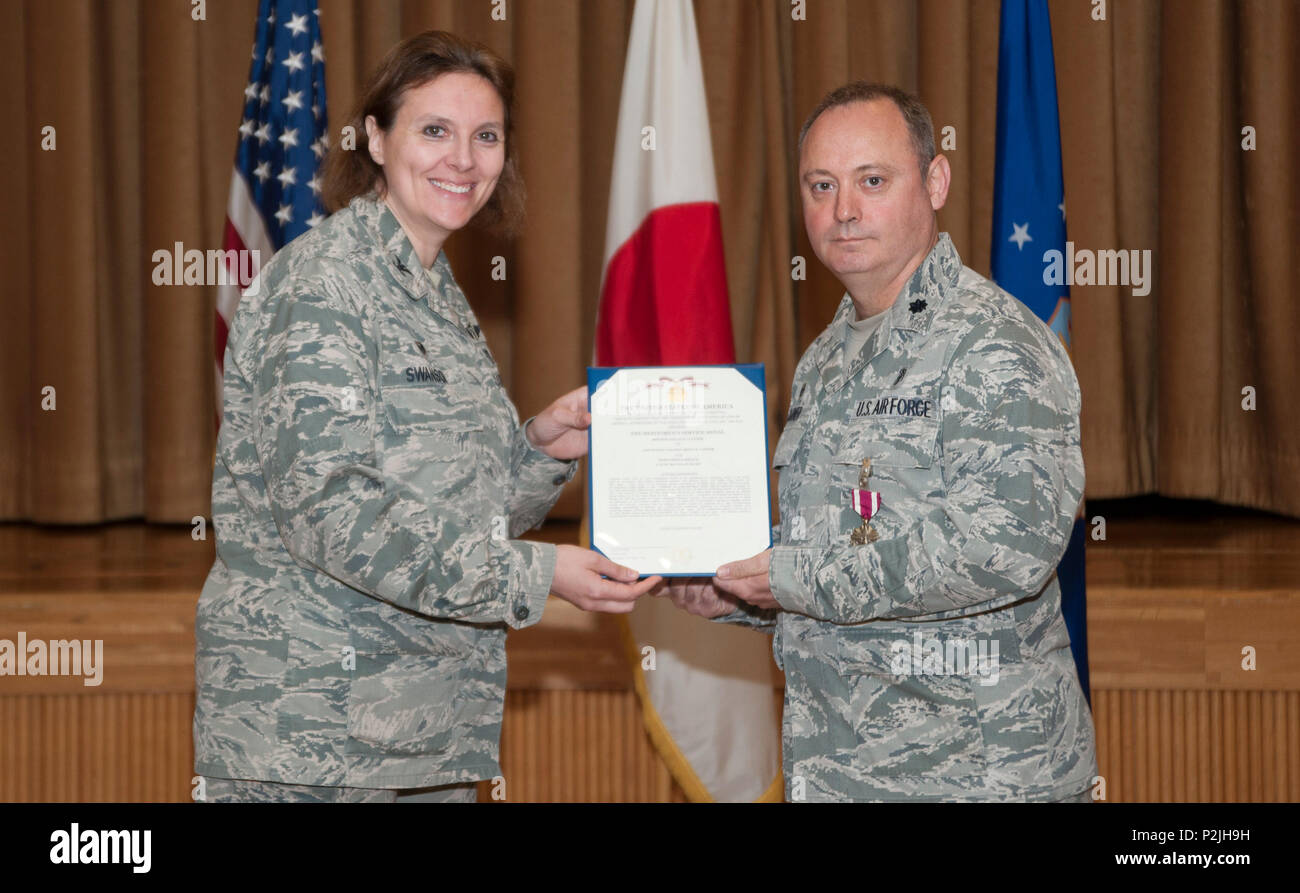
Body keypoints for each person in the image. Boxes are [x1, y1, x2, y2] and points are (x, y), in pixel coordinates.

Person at [194, 30, 659, 803]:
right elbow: (331, 512)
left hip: (420, 735)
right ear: (376, 138)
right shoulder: (326, 286)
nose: (463, 159)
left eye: (486, 137)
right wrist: (537, 573)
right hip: (310, 741)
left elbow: (452, 508)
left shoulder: (436, 292)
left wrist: (538, 450)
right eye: (434, 131)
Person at [658, 82, 1097, 802]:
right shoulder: (829, 355)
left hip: (976, 777)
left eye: (872, 181)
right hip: (843, 771)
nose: (844, 211)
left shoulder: (994, 343)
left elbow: (1005, 548)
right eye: (821, 185)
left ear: (935, 181)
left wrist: (790, 576)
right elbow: (844, 544)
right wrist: (734, 590)